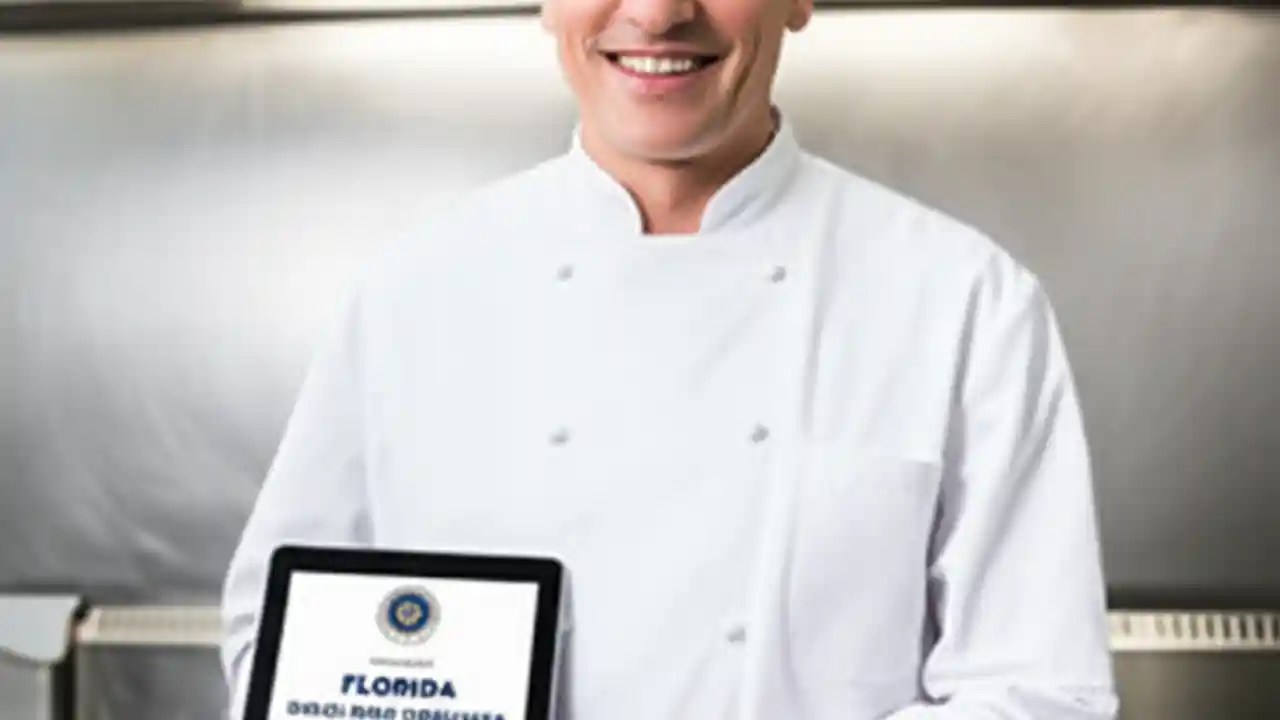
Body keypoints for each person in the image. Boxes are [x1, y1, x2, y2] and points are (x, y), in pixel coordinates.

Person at [221, 0, 1118, 717]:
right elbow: (277, 637)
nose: (655, 14)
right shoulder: (413, 292)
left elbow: (1040, 690)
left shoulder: (963, 300)